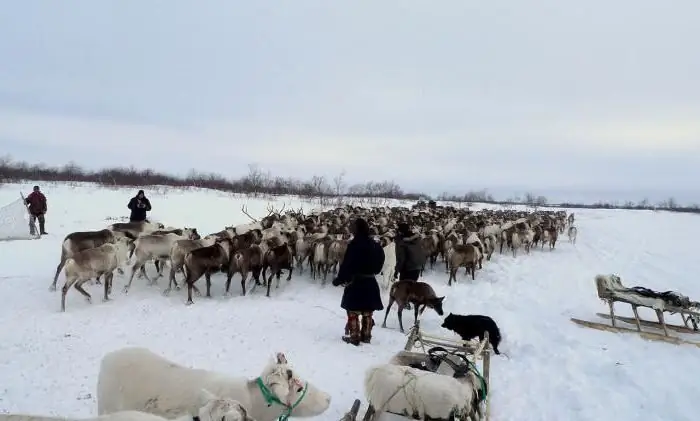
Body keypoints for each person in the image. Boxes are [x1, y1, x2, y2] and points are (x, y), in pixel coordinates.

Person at [332, 217, 385, 346]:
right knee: (368, 311)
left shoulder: (354, 246)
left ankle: (354, 336)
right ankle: (366, 336)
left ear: (357, 229)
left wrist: (339, 279)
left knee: (353, 311)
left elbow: (347, 265)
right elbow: (381, 261)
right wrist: (374, 271)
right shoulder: (376, 245)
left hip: (356, 283)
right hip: (371, 282)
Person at [394, 222, 425, 309]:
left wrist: (396, 270)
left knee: (403, 286)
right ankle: (415, 300)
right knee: (412, 285)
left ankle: (405, 303)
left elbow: (401, 258)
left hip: (407, 268)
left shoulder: (402, 243)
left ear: (400, 232)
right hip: (417, 266)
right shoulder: (417, 239)